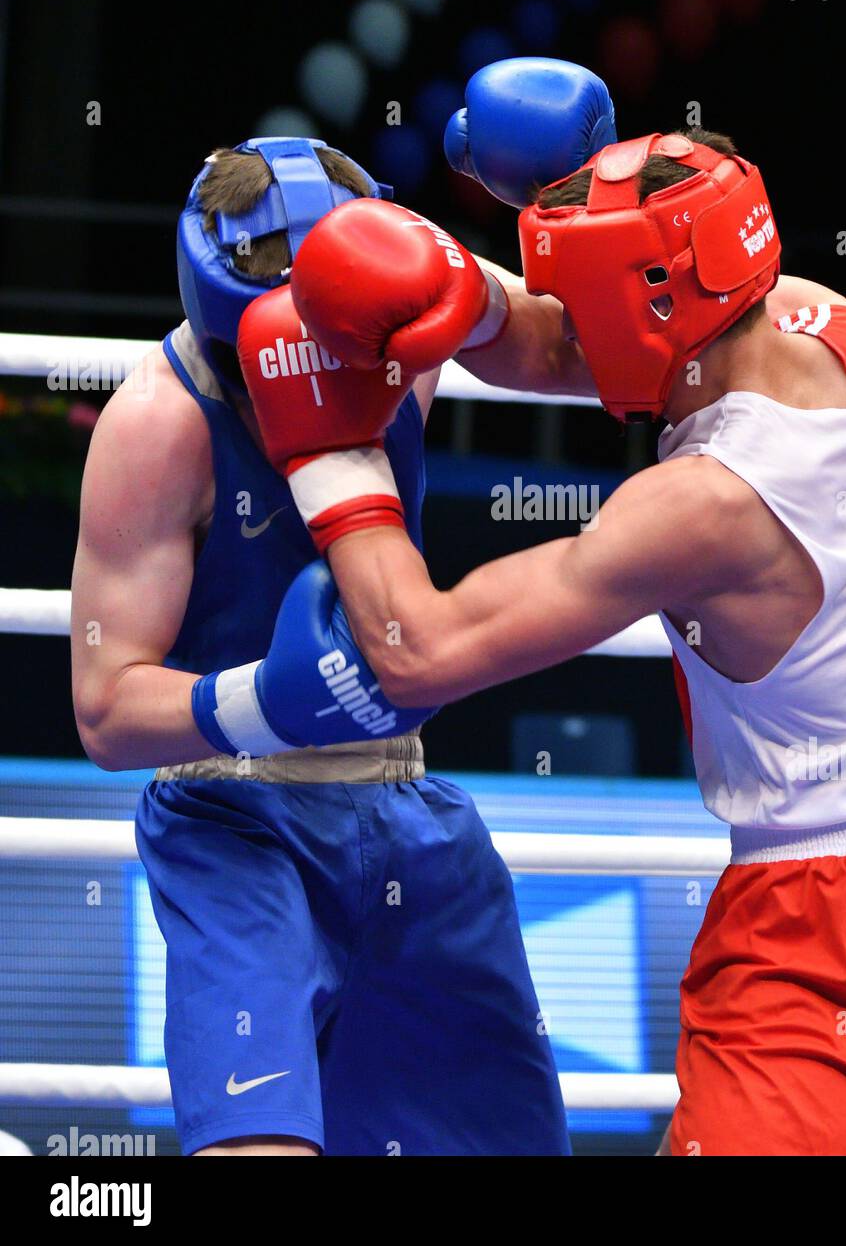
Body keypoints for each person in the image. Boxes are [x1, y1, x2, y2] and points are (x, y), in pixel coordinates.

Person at [232, 66, 846, 1156]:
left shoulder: (705, 506)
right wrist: (452, 275)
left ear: (650, 310)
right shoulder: (820, 325)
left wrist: (326, 454)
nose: (566, 323)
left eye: (585, 296)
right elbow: (564, 341)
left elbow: (419, 649)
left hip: (829, 923)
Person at [69, 135, 572, 1156]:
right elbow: (104, 709)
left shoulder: (402, 330)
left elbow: (590, 355)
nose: (316, 378)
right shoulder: (158, 428)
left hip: (405, 810)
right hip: (233, 818)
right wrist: (263, 699)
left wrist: (539, 226)